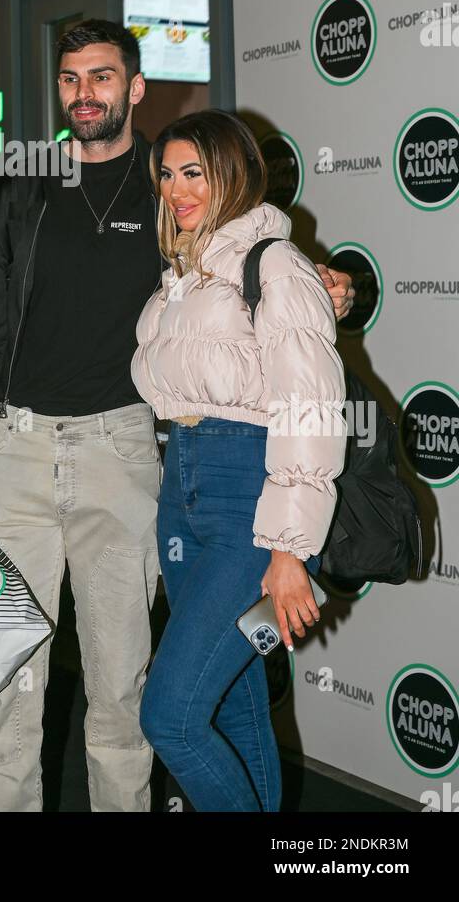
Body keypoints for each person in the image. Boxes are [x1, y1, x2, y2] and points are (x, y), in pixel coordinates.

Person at [0, 19, 353, 813]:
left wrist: (320, 279)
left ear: (134, 87)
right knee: (5, 683)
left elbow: (249, 258)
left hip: (123, 454)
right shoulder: (22, 191)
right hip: (13, 452)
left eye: (102, 78)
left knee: (122, 691)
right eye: (71, 79)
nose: (86, 94)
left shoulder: (171, 195)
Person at [132, 111, 347, 812]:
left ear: (232, 173)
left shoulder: (275, 264)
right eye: (166, 174)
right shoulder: (183, 276)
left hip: (249, 506)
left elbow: (309, 409)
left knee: (171, 716)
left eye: (193, 172)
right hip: (184, 494)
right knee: (234, 703)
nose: (176, 189)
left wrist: (289, 551)